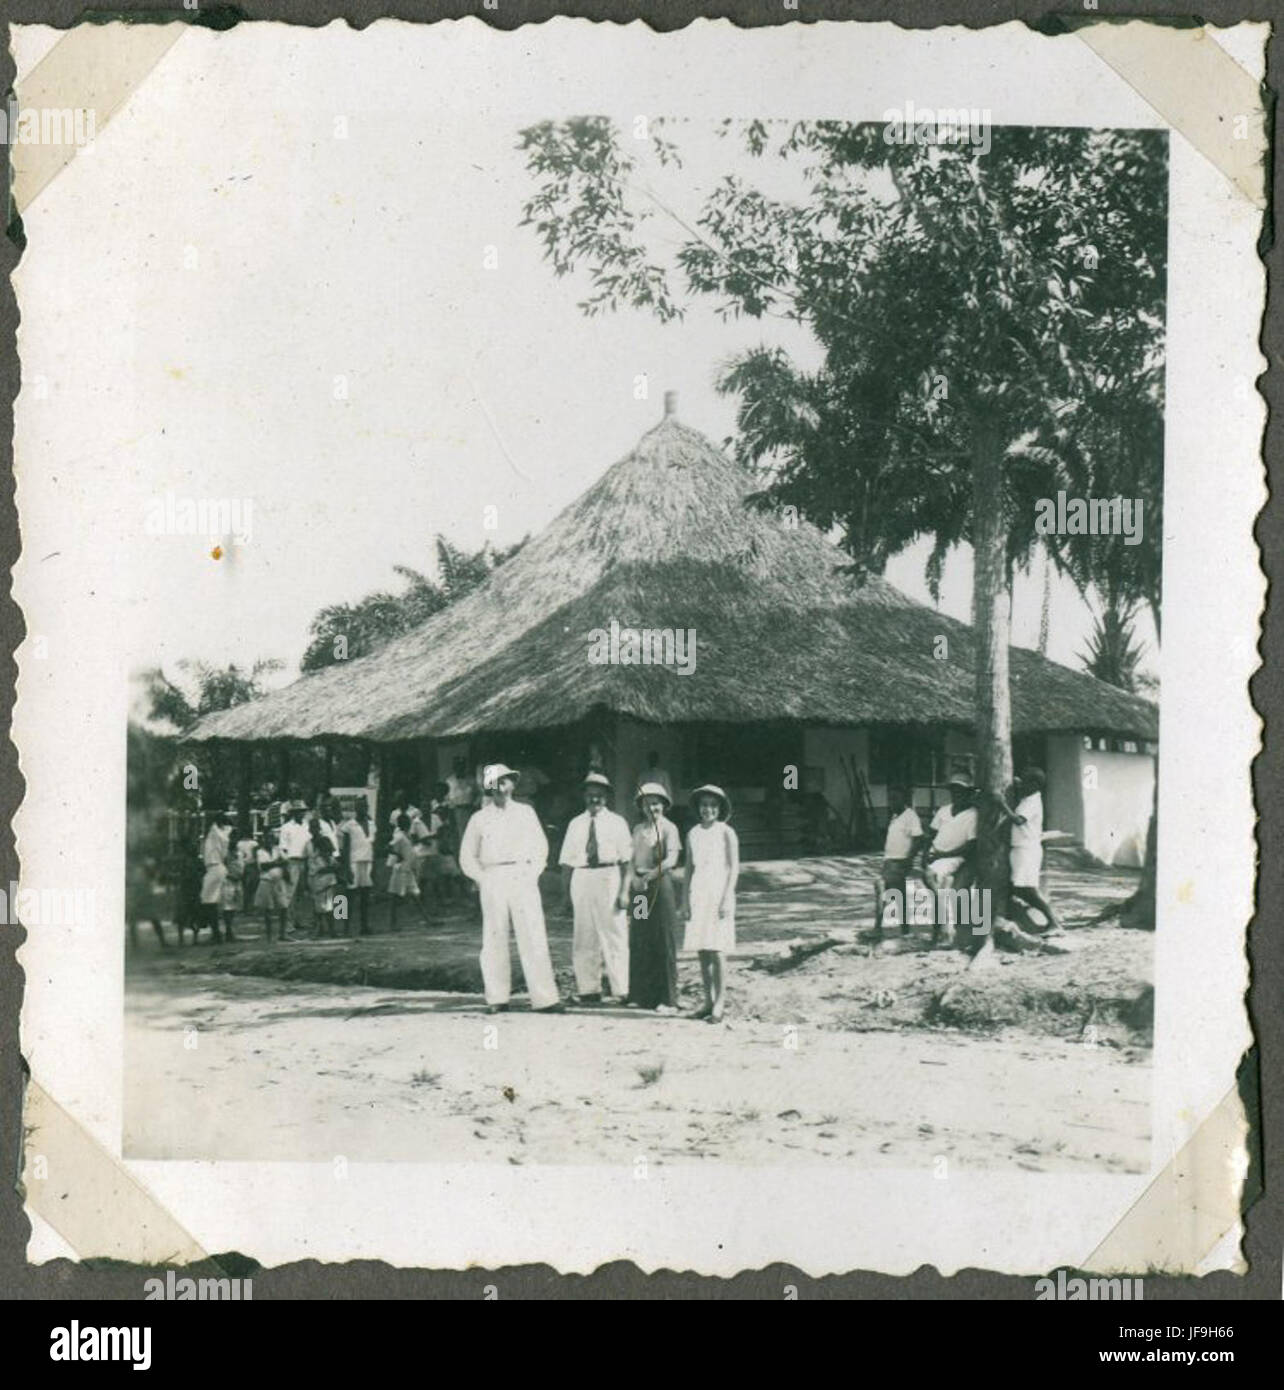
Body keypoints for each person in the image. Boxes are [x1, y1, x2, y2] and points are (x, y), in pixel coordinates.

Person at [459, 764, 563, 1015]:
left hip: (522, 876)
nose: (500, 787)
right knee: (494, 937)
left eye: (504, 782)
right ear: (488, 787)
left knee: (533, 934)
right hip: (493, 876)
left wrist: (532, 873)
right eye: (494, 783)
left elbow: (541, 847)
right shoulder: (479, 818)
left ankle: (545, 998)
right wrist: (482, 878)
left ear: (513, 785)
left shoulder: (526, 812)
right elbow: (467, 856)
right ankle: (497, 997)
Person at [558, 772, 632, 1004]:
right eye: (590, 795)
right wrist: (565, 897)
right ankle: (589, 989)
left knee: (615, 933)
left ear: (606, 797)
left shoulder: (617, 822)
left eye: (599, 796)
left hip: (608, 876)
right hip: (582, 878)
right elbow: (567, 864)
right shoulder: (575, 824)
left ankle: (622, 989)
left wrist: (624, 892)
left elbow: (627, 860)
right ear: (584, 797)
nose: (594, 800)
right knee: (584, 935)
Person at [681, 784, 739, 1023]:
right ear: (698, 808)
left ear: (720, 809)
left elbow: (734, 866)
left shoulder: (726, 832)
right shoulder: (693, 833)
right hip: (699, 893)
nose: (708, 810)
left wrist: (727, 896)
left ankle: (720, 1003)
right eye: (704, 805)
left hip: (719, 893)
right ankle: (707, 1000)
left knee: (717, 949)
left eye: (713, 806)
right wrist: (684, 900)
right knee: (702, 949)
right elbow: (687, 869)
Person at [626, 781, 682, 1014]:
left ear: (664, 805)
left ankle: (667, 998)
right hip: (640, 888)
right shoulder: (638, 829)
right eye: (648, 804)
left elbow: (671, 860)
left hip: (660, 885)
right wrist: (634, 880)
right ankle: (641, 994)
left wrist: (649, 876)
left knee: (662, 936)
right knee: (640, 935)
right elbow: (630, 859)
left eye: (657, 803)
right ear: (641, 807)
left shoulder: (670, 828)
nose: (653, 808)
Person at [991, 767, 1065, 934]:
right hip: (1020, 848)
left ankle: (1054, 921)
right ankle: (1039, 918)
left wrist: (1001, 803)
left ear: (1035, 784)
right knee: (1017, 886)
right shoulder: (1028, 798)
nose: (1021, 784)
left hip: (1027, 849)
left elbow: (1018, 820)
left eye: (1025, 782)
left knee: (1025, 888)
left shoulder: (1032, 801)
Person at [923, 773, 979, 947]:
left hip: (954, 856)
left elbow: (970, 845)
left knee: (930, 877)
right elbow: (931, 834)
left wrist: (942, 855)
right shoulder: (944, 810)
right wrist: (926, 853)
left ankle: (946, 924)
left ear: (970, 794)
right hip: (936, 855)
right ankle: (941, 928)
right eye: (954, 792)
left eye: (962, 792)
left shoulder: (973, 814)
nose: (957, 796)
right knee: (935, 889)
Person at [875, 786, 924, 939]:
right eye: (890, 799)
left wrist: (908, 860)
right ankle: (904, 929)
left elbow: (918, 839)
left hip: (899, 861)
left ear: (904, 800)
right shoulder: (895, 816)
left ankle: (878, 927)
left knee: (883, 889)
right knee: (897, 896)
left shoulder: (910, 816)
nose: (891, 802)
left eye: (895, 798)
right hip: (890, 860)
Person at [339, 796, 376, 935]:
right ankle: (344, 927)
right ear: (355, 809)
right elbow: (345, 848)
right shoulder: (349, 825)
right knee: (347, 896)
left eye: (364, 806)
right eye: (359, 807)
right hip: (353, 862)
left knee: (365, 895)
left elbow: (373, 845)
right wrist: (346, 868)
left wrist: (375, 867)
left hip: (367, 861)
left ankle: (364, 926)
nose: (362, 809)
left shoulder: (372, 824)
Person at [386, 812, 428, 930]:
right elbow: (389, 847)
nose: (409, 824)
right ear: (401, 824)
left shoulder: (407, 835)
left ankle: (427, 919)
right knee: (395, 897)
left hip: (407, 869)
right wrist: (397, 855)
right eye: (406, 822)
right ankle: (392, 924)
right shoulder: (399, 836)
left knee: (415, 895)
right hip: (400, 870)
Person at [278, 800, 312, 938]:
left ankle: (299, 920)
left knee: (302, 893)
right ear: (293, 813)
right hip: (292, 861)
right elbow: (283, 848)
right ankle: (289, 923)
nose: (301, 814)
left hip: (306, 861)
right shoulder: (286, 827)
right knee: (290, 894)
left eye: (302, 811)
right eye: (298, 811)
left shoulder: (307, 825)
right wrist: (286, 864)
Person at [199, 811, 233, 944]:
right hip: (219, 867)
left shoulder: (216, 833)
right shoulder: (223, 834)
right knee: (223, 902)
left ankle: (216, 934)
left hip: (214, 866)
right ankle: (226, 933)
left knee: (208, 901)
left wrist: (216, 819)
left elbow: (213, 823)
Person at [253, 827, 291, 943]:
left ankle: (283, 934)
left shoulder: (277, 849)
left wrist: (275, 863)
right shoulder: (260, 851)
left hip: (278, 881)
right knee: (267, 910)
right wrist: (277, 862)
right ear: (263, 839)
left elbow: (286, 861)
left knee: (284, 907)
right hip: (266, 881)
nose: (269, 840)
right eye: (267, 837)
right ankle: (269, 936)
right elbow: (263, 866)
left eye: (271, 837)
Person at [307, 818, 341, 938]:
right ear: (310, 829)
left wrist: (329, 867)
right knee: (318, 906)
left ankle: (332, 930)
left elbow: (332, 860)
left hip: (327, 876)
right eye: (312, 827)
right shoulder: (308, 844)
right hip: (314, 877)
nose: (314, 830)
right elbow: (309, 862)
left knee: (330, 904)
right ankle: (320, 929)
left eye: (316, 827)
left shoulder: (325, 841)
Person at [445, 758, 477, 847]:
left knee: (472, 834)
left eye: (462, 766)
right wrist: (451, 810)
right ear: (454, 768)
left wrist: (474, 805)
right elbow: (446, 798)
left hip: (470, 810)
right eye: (458, 766)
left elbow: (479, 794)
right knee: (460, 835)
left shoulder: (471, 780)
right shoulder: (449, 781)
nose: (460, 768)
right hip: (456, 811)